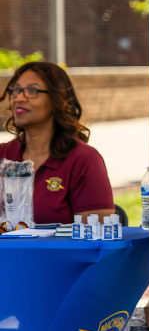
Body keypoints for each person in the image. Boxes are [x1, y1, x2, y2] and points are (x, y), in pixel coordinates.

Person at [1, 61, 114, 224]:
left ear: (57, 100)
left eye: (31, 91)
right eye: (15, 90)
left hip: (62, 251)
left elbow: (96, 237)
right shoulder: (4, 155)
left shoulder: (84, 160)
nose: (18, 98)